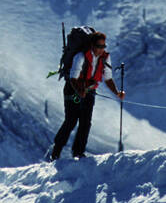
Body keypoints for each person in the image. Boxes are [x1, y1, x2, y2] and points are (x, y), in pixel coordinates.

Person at [48, 31, 123, 160]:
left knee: (86, 122)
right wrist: (79, 90)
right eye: (99, 46)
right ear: (92, 45)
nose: (101, 49)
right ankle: (56, 151)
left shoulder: (105, 58)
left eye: (103, 46)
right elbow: (73, 78)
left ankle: (78, 152)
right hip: (72, 90)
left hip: (89, 91)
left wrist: (117, 93)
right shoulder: (80, 56)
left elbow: (108, 78)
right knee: (71, 121)